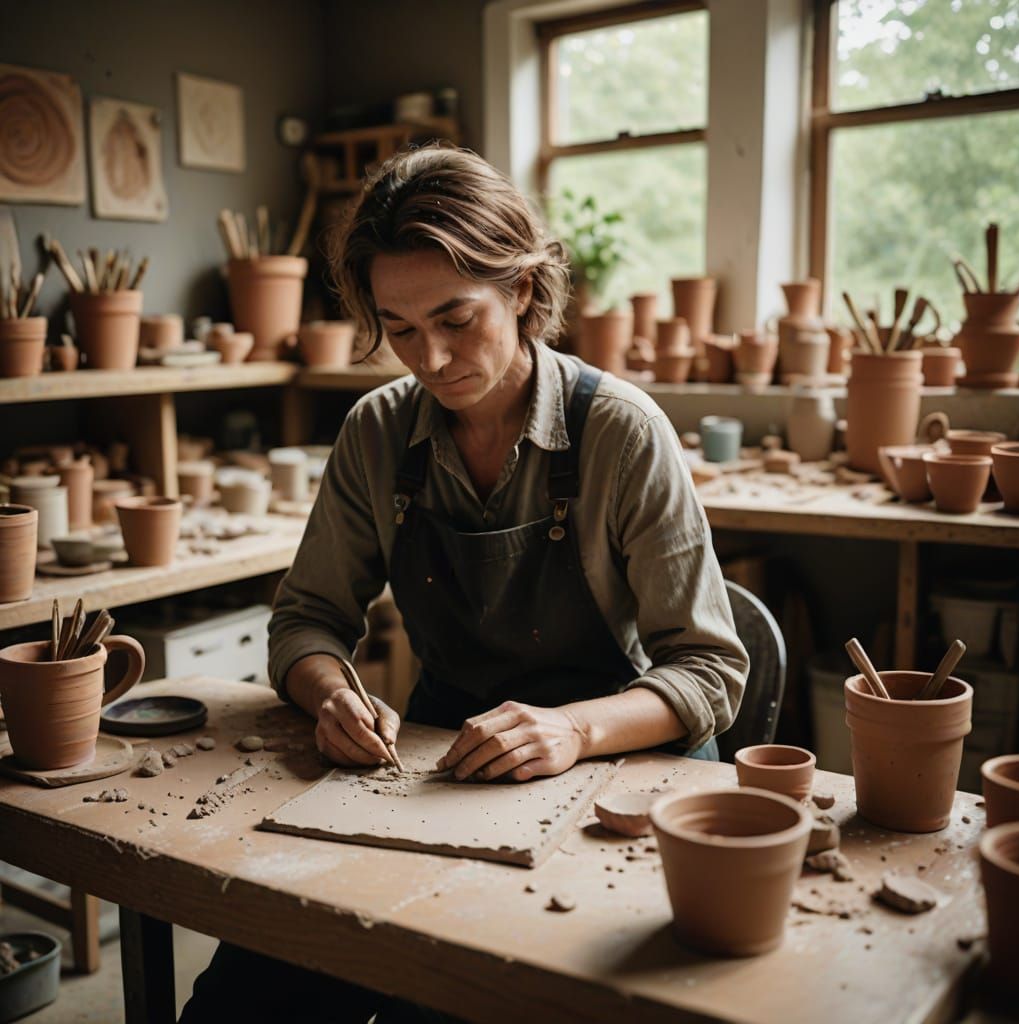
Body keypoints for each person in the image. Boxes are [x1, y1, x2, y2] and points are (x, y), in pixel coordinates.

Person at [179, 145, 748, 1024]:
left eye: (456, 317)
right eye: (400, 328)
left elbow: (711, 672)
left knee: (463, 992)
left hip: (623, 761)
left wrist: (571, 728)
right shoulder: (377, 432)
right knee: (259, 982)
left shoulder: (621, 432)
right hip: (450, 759)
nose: (432, 359)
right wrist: (330, 693)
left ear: (522, 289)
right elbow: (305, 619)